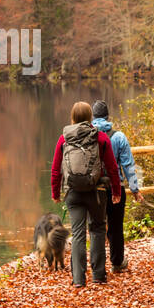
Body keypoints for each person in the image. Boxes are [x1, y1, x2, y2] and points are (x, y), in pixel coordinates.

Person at [50, 101, 122, 287]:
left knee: (78, 233)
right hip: (96, 192)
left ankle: (79, 279)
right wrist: (116, 191)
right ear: (90, 117)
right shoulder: (100, 137)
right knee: (98, 230)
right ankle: (98, 275)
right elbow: (113, 168)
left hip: (73, 193)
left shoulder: (64, 138)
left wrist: (55, 192)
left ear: (73, 117)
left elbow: (56, 169)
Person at [92, 99, 143, 274]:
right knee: (115, 226)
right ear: (107, 116)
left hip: (94, 189)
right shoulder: (118, 137)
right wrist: (135, 190)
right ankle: (117, 262)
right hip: (115, 188)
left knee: (96, 227)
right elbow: (128, 165)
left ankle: (97, 266)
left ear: (93, 116)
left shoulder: (88, 135)